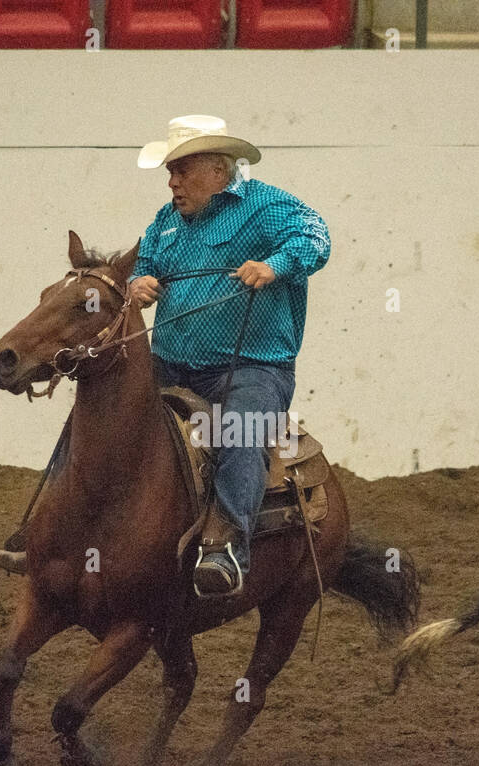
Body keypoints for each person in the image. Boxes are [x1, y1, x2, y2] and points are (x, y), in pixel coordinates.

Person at [128, 115, 330, 595]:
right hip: (170, 364)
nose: (172, 182)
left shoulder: (268, 206)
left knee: (241, 429)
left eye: (182, 170)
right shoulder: (166, 221)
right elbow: (144, 262)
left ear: (218, 170)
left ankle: (224, 547)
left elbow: (316, 238)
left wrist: (275, 265)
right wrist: (139, 281)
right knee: (101, 416)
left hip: (250, 367)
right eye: (170, 173)